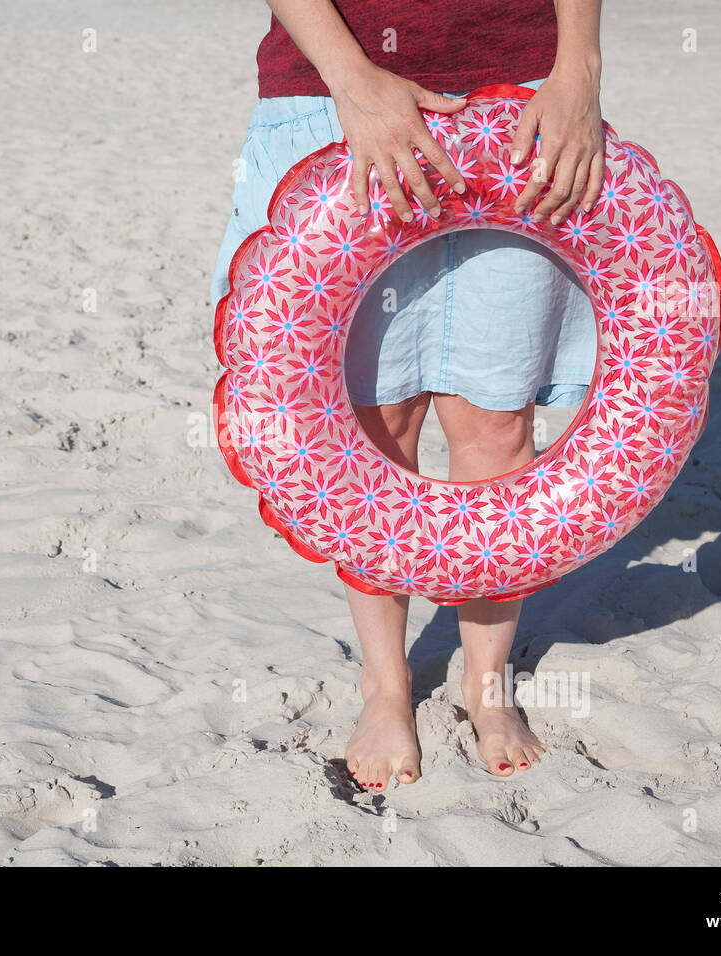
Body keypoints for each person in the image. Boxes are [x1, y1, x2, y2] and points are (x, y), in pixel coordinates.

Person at [209, 0, 604, 789]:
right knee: (372, 429)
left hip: (523, 100)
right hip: (334, 97)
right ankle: (387, 686)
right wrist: (351, 79)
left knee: (495, 418)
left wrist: (580, 71)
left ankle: (487, 686)